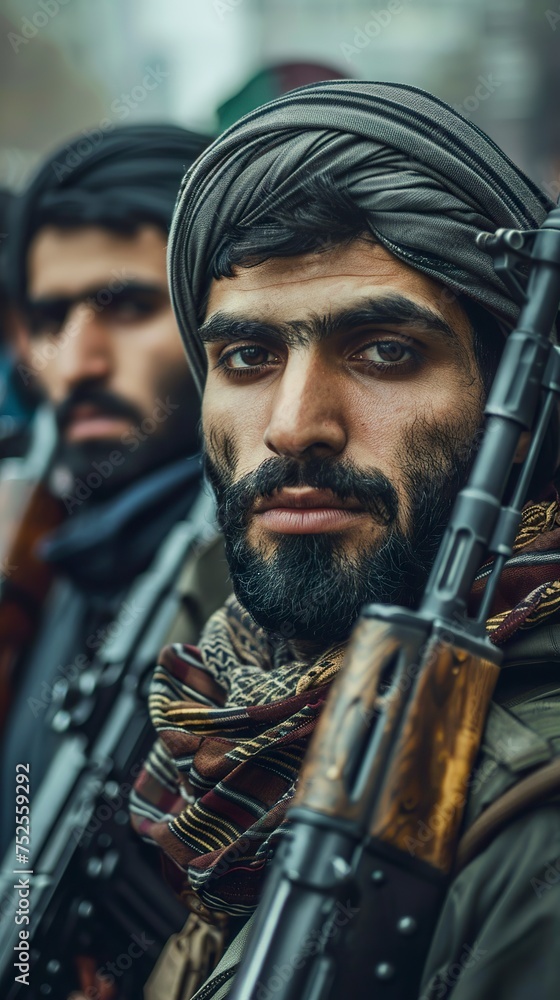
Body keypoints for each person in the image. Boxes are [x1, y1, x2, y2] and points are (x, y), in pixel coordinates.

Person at [129, 82, 560, 999]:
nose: (294, 426)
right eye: (247, 358)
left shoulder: (532, 819)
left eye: (386, 351)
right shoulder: (232, 716)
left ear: (517, 416)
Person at [0, 123, 230, 857]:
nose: (77, 362)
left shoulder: (270, 574)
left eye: (128, 307)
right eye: (49, 319)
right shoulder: (58, 545)